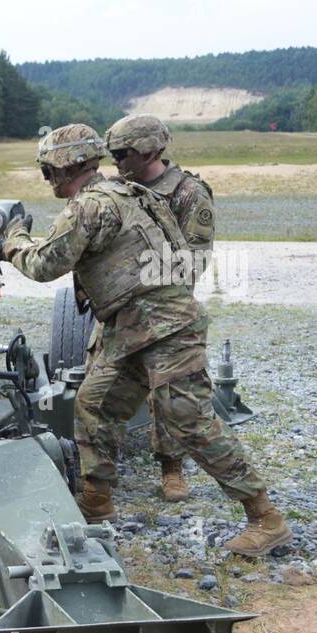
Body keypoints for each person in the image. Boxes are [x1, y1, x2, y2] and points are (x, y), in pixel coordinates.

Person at [1, 123, 291, 557]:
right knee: (95, 404)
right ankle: (96, 503)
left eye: (48, 171)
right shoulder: (124, 193)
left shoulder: (91, 206)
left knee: (188, 421)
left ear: (66, 167)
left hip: (165, 326)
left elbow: (44, 265)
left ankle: (265, 518)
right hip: (129, 326)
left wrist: (13, 239)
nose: (47, 180)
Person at [97, 112, 217, 501]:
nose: (115, 159)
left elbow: (192, 262)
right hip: (117, 310)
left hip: (164, 314)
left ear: (150, 150)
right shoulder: (118, 190)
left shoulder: (188, 194)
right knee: (100, 391)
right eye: (112, 152)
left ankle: (172, 469)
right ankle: (98, 475)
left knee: (169, 392)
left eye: (122, 152)